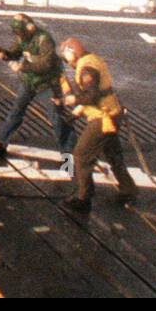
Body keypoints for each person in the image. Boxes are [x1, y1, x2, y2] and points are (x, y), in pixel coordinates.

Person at [56, 36, 139, 214]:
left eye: (66, 54)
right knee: (113, 155)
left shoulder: (86, 68)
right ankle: (128, 189)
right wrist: (77, 112)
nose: (66, 59)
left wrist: (73, 100)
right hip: (111, 114)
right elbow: (98, 93)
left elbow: (92, 95)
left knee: (81, 155)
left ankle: (83, 197)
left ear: (72, 52)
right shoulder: (92, 60)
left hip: (103, 118)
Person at [0, 13, 72, 159]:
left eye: (20, 33)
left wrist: (22, 67)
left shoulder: (44, 40)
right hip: (29, 82)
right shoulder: (23, 37)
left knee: (57, 119)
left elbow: (46, 65)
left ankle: (67, 156)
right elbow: (16, 52)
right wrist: (5, 54)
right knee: (16, 111)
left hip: (48, 84)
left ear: (29, 29)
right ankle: (2, 143)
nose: (18, 36)